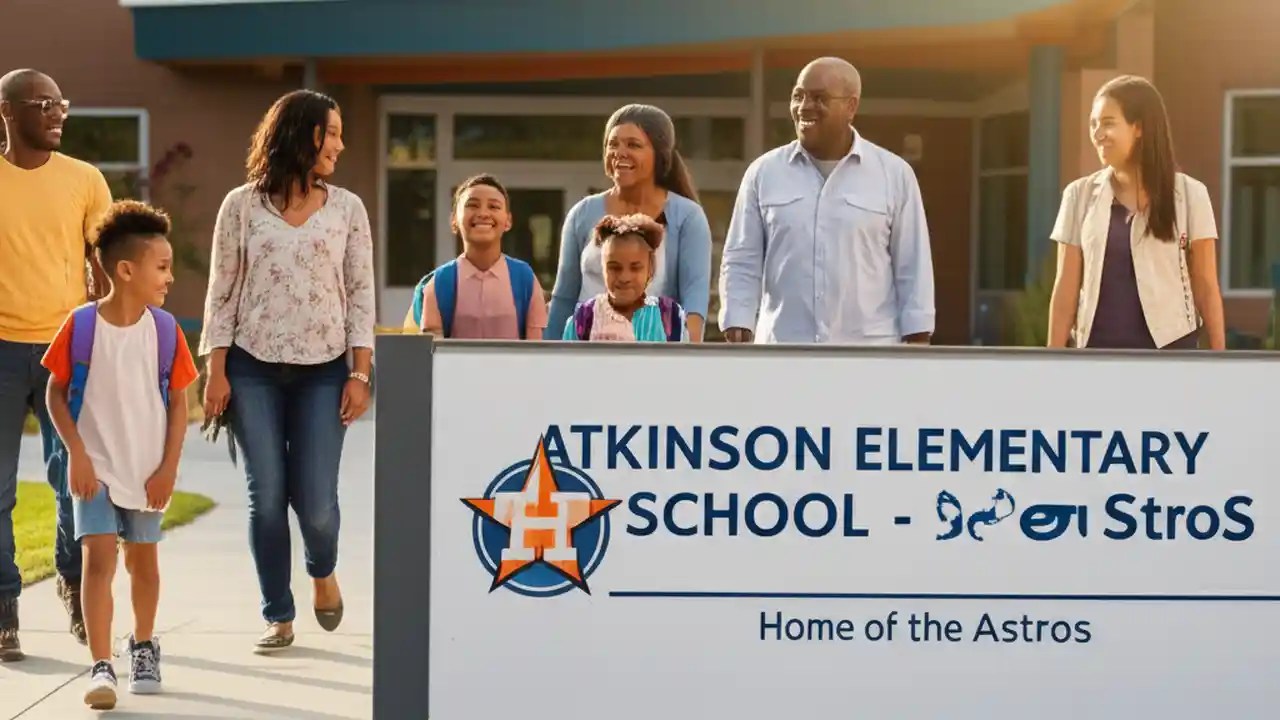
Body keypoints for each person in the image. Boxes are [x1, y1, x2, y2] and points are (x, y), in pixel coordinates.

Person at [199, 89, 375, 653]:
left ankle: (322, 570)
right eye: (333, 133)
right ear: (302, 134)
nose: (340, 145)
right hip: (251, 368)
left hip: (324, 372)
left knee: (317, 501)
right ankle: (278, 613)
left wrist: (360, 372)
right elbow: (221, 293)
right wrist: (216, 370)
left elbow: (362, 293)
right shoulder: (241, 206)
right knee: (266, 494)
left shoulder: (347, 209)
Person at [42, 201, 199, 710]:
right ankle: (102, 662)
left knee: (144, 564)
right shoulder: (81, 325)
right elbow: (54, 394)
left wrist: (169, 468)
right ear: (126, 270)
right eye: (162, 266)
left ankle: (145, 645)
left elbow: (179, 403)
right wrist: (78, 457)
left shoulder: (165, 330)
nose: (170, 277)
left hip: (147, 469)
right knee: (98, 560)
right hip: (96, 470)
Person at [0, 68, 112, 661]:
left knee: (73, 478)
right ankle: (3, 609)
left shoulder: (85, 180)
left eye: (60, 102)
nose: (56, 113)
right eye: (43, 104)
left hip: (65, 349)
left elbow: (107, 260)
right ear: (7, 112)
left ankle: (73, 582)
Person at [718, 57, 935, 345]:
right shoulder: (763, 173)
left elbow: (912, 265)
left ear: (851, 106)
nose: (805, 106)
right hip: (783, 352)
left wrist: (918, 340)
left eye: (819, 98)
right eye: (798, 96)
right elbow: (741, 258)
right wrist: (738, 319)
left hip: (870, 356)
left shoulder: (894, 174)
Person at [1047, 75, 1226, 350]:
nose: (1097, 134)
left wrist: (1219, 358)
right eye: (1093, 124)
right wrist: (1051, 362)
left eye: (1108, 123)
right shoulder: (1077, 195)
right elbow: (1065, 290)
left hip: (1171, 354)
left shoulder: (1191, 195)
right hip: (1097, 355)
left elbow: (1205, 284)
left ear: (1138, 127)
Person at [546, 104, 711, 341]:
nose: (619, 152)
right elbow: (563, 298)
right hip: (585, 354)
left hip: (655, 353)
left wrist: (686, 359)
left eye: (633, 145)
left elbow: (694, 301)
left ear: (660, 154)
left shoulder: (687, 217)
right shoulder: (582, 213)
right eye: (613, 144)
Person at [405, 173, 549, 339]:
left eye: (494, 207)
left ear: (508, 221)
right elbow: (434, 354)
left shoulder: (524, 279)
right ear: (454, 221)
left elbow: (535, 352)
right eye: (472, 205)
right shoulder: (439, 283)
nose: (483, 213)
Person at [561, 214, 687, 343]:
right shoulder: (585, 319)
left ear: (650, 269)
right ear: (603, 268)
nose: (624, 277)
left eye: (635, 268)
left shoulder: (670, 317)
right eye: (614, 268)